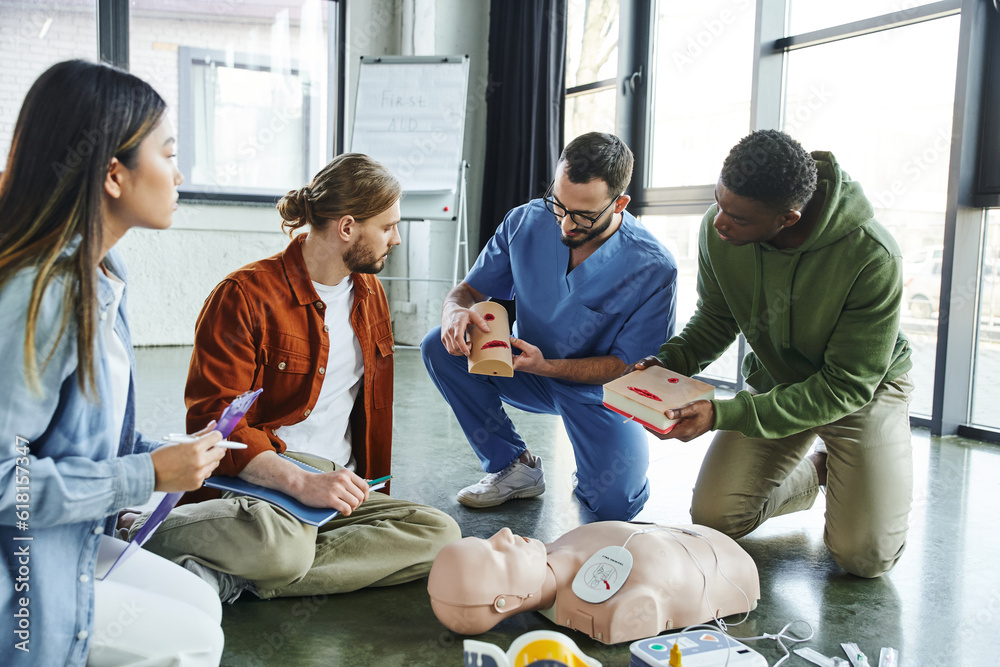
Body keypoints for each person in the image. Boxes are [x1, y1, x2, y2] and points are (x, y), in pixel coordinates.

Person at [121, 153, 461, 601]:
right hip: (264, 481)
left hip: (339, 482)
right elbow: (214, 421)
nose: (395, 239)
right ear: (347, 228)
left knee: (439, 534)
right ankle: (142, 532)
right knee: (283, 548)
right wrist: (300, 481)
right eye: (387, 226)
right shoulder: (243, 295)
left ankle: (234, 573)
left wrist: (333, 486)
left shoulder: (370, 293)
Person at [0, 60, 225, 666]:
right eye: (169, 154)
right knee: (195, 640)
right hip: (17, 571)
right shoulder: (41, 294)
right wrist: (145, 475)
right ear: (113, 174)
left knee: (205, 606)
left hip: (61, 535)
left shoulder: (104, 276)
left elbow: (80, 444)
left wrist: (179, 454)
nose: (180, 173)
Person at [631, 129, 914, 578]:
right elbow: (717, 317)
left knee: (864, 557)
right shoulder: (720, 230)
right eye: (719, 202)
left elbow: (845, 385)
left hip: (863, 392)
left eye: (738, 218)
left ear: (788, 217)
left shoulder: (873, 258)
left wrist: (722, 413)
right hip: (781, 379)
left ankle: (843, 470)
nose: (719, 223)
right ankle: (821, 472)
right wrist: (670, 363)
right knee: (717, 518)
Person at [421, 132, 677, 521]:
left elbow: (627, 368)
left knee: (612, 508)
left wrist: (548, 366)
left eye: (584, 214)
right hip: (525, 369)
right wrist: (453, 312)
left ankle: (598, 473)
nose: (566, 222)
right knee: (439, 346)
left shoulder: (653, 266)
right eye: (558, 203)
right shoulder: (526, 221)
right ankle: (514, 464)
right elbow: (470, 290)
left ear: (619, 203)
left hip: (599, 393)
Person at [427, 522, 760, 644]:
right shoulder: (608, 606)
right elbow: (648, 603)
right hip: (722, 566)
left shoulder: (561, 545)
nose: (504, 534)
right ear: (506, 602)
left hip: (713, 547)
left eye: (487, 539)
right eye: (496, 553)